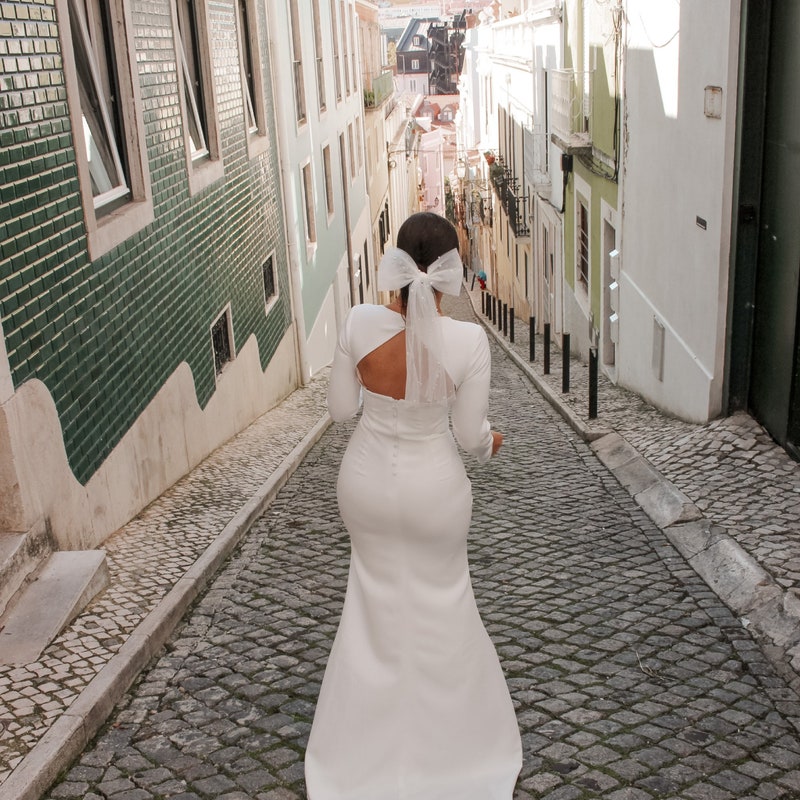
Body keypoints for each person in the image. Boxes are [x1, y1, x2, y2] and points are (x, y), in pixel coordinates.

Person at [304, 212, 522, 800]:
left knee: (370, 606)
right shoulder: (469, 340)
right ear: (450, 271)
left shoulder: (358, 322)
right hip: (435, 491)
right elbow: (471, 435)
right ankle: (451, 751)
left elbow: (343, 413)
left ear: (397, 265)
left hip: (367, 485)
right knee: (444, 603)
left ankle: (359, 753)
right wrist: (494, 442)